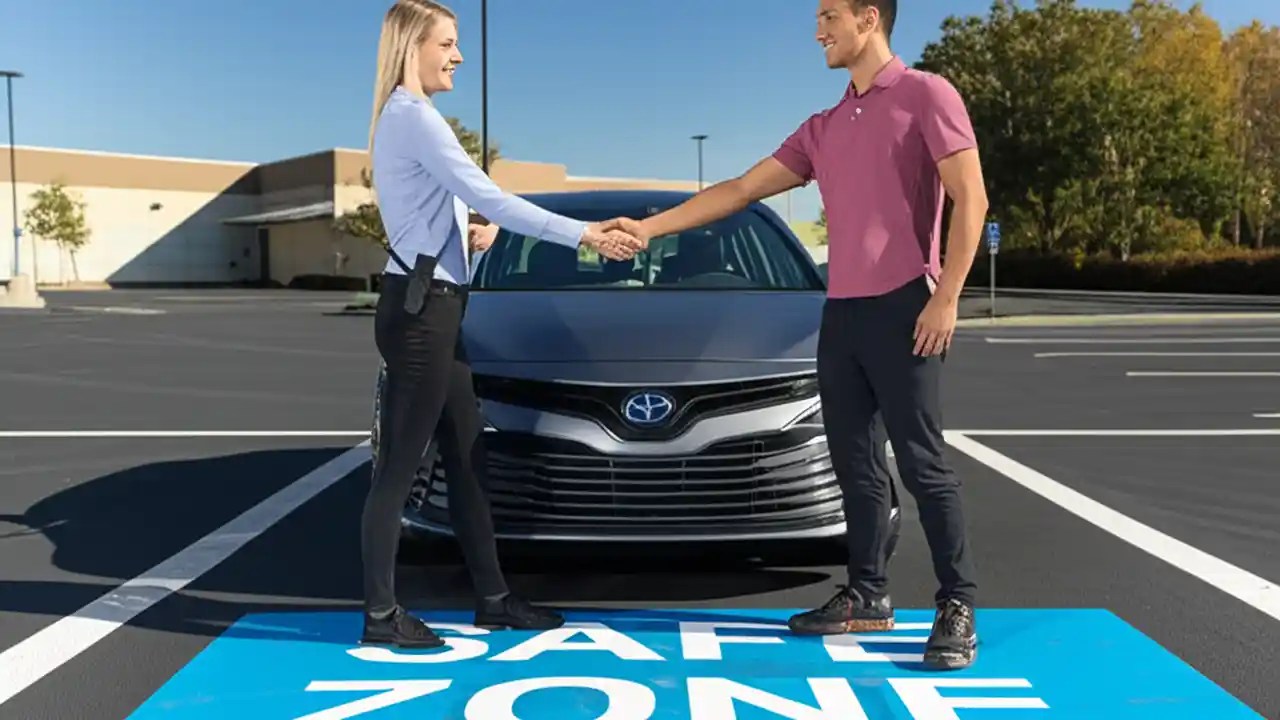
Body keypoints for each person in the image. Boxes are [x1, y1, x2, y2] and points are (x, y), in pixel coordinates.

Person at [605, 0, 987, 669]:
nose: (818, 31)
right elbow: (740, 189)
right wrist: (649, 229)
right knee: (856, 468)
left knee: (924, 464)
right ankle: (867, 595)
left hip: (906, 307)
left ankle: (957, 603)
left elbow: (971, 197)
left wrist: (948, 296)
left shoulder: (927, 95)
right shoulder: (824, 127)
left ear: (869, 18)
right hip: (841, 313)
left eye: (829, 16)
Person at [360, 0, 642, 649]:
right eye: (448, 43)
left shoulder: (408, 120)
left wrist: (468, 234)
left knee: (467, 454)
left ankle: (493, 598)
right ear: (414, 47)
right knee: (399, 468)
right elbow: (487, 192)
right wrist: (584, 236)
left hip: (435, 304)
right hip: (421, 314)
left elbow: (437, 210)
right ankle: (381, 616)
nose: (458, 55)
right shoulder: (414, 117)